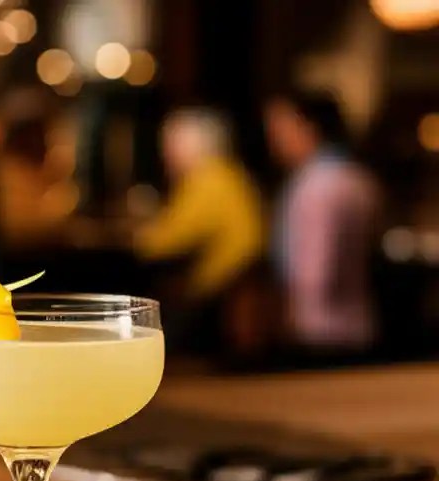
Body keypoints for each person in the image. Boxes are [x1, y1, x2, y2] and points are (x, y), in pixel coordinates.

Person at [135, 108, 265, 351]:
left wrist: (135, 233)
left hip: (215, 299)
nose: (165, 157)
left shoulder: (208, 180)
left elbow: (162, 244)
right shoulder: (229, 174)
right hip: (227, 289)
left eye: (170, 147)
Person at [265, 90, 380, 356]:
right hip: (360, 321)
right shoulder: (359, 178)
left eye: (281, 127)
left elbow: (315, 273)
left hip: (317, 329)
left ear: (309, 127)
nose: (274, 139)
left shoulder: (313, 186)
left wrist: (288, 319)